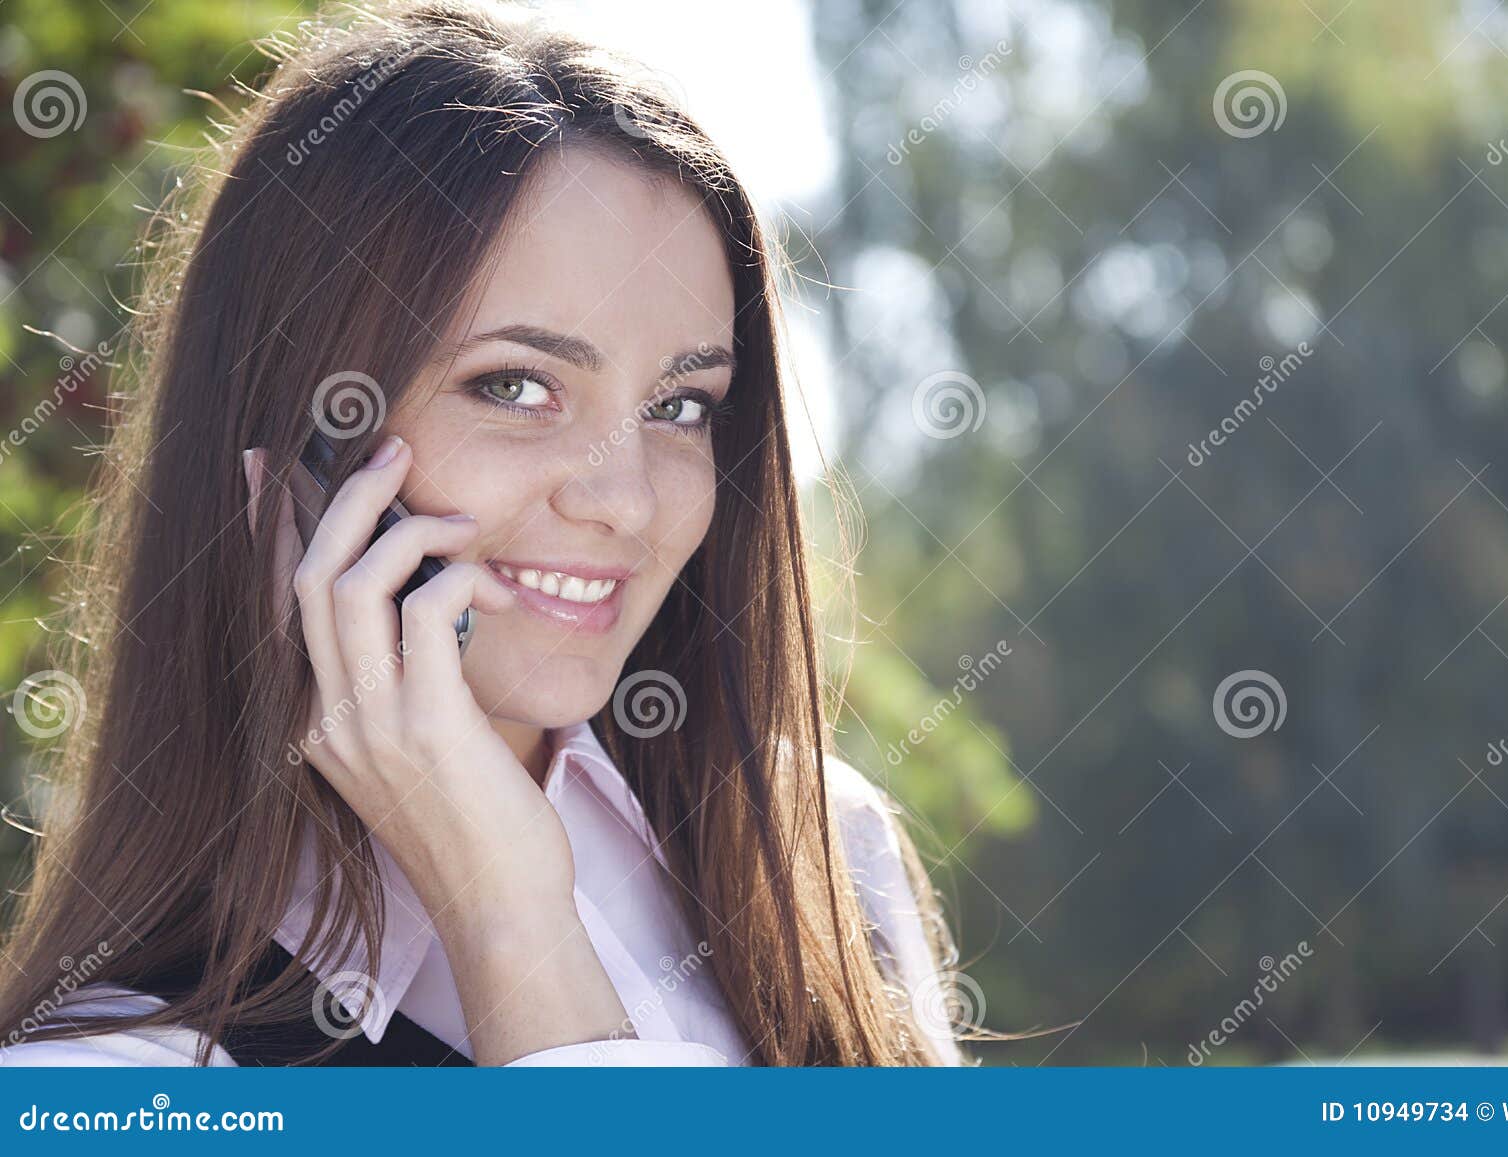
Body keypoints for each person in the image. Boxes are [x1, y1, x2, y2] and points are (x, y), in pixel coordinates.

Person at [0, 0, 967, 1066]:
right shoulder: (118, 1069)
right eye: (513, 386)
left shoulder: (812, 849)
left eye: (680, 405)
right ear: (299, 460)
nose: (627, 503)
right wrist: (503, 911)